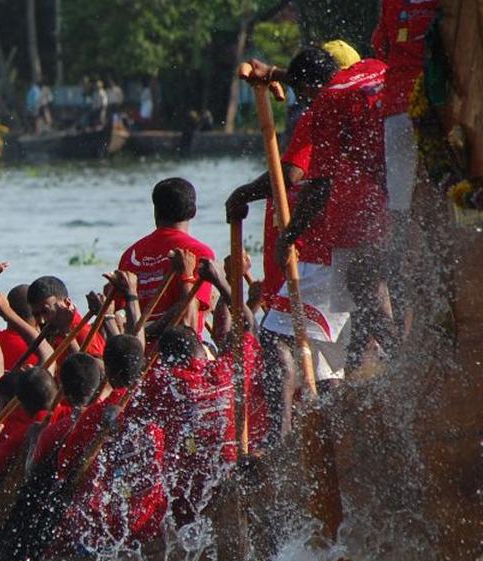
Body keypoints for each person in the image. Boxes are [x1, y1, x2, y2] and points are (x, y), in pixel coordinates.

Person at [227, 48, 393, 383]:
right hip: (397, 203)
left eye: (302, 96)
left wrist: (288, 236)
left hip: (347, 230)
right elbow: (323, 82)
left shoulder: (326, 105)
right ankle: (397, 362)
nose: (304, 104)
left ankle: (400, 360)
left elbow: (312, 183)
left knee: (276, 338)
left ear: (311, 88)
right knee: (360, 322)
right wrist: (275, 74)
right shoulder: (372, 69)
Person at [372, 0, 439, 320]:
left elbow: (382, 49)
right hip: (440, 107)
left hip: (401, 110)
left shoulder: (391, 3)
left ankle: (404, 312)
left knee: (401, 213)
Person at [117, 178, 214, 336]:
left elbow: (120, 315)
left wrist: (144, 333)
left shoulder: (130, 254)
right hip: (181, 347)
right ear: (193, 212)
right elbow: (189, 322)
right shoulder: (200, 252)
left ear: (156, 211)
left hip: (138, 347)